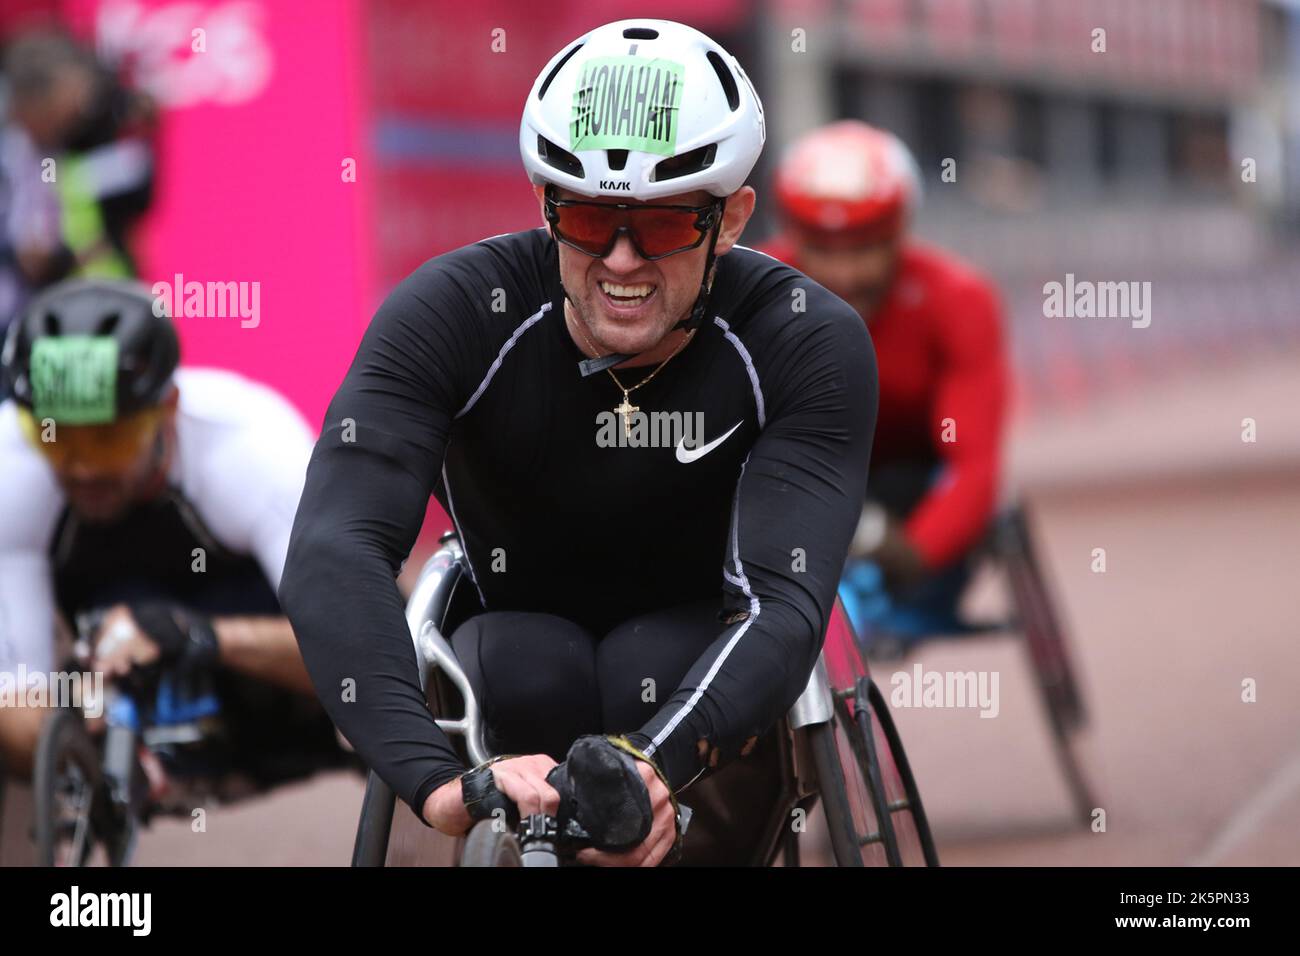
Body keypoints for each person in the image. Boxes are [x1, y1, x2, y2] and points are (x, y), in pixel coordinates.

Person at [279, 19, 877, 866]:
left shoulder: (804, 339)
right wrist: (435, 781)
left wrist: (651, 764)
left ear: (733, 217)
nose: (623, 261)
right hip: (517, 649)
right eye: (591, 218)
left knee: (662, 657)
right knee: (530, 662)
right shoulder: (449, 311)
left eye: (666, 225)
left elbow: (783, 604)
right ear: (546, 205)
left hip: (704, 655)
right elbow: (333, 546)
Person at [0, 278, 347, 789]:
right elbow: (18, 693)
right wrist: (74, 748)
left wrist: (199, 636)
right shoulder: (13, 462)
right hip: (103, 644)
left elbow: (353, 655)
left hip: (260, 663)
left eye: (108, 440)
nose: (84, 471)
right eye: (59, 442)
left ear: (168, 408)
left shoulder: (253, 449)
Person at [765, 120, 1008, 653]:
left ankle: (877, 606)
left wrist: (912, 553)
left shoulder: (958, 299)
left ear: (900, 231)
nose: (846, 274)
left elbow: (974, 465)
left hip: (908, 498)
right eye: (824, 248)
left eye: (865, 247)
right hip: (793, 486)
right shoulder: (756, 288)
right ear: (793, 235)